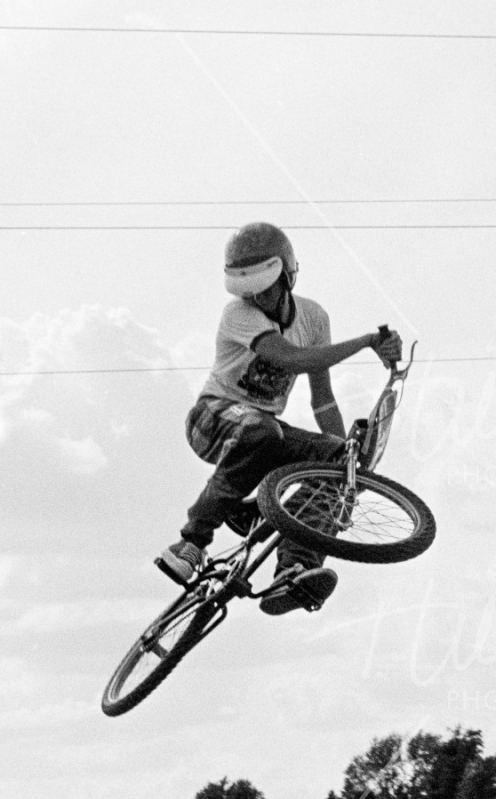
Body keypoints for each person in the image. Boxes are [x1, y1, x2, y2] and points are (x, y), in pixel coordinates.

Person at [156, 222, 402, 615]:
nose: (260, 298)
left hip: (263, 431)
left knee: (335, 459)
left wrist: (343, 463)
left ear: (287, 275)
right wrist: (367, 341)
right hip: (213, 419)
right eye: (250, 292)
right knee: (261, 430)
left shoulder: (313, 318)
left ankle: (293, 569)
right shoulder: (239, 314)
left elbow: (322, 398)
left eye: (267, 288)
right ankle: (191, 543)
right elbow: (292, 360)